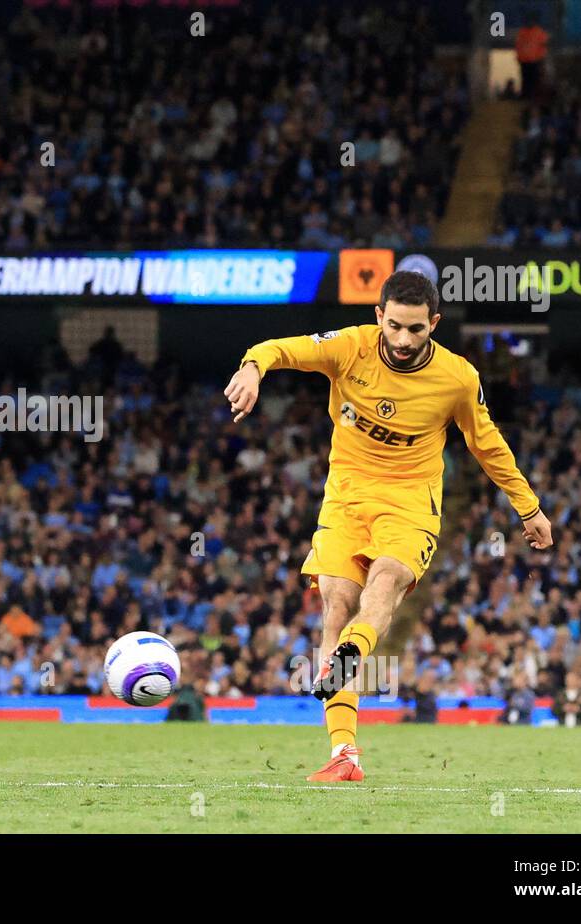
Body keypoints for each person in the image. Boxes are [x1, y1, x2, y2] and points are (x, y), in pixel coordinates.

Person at [224, 270, 553, 781]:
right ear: (379, 316)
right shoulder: (349, 347)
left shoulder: (457, 378)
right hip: (346, 499)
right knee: (335, 602)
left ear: (434, 324)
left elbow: (486, 444)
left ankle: (354, 651)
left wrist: (528, 508)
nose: (402, 340)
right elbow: (277, 348)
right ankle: (344, 754)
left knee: (386, 581)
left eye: (416, 329)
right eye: (394, 326)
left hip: (409, 503)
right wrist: (252, 369)